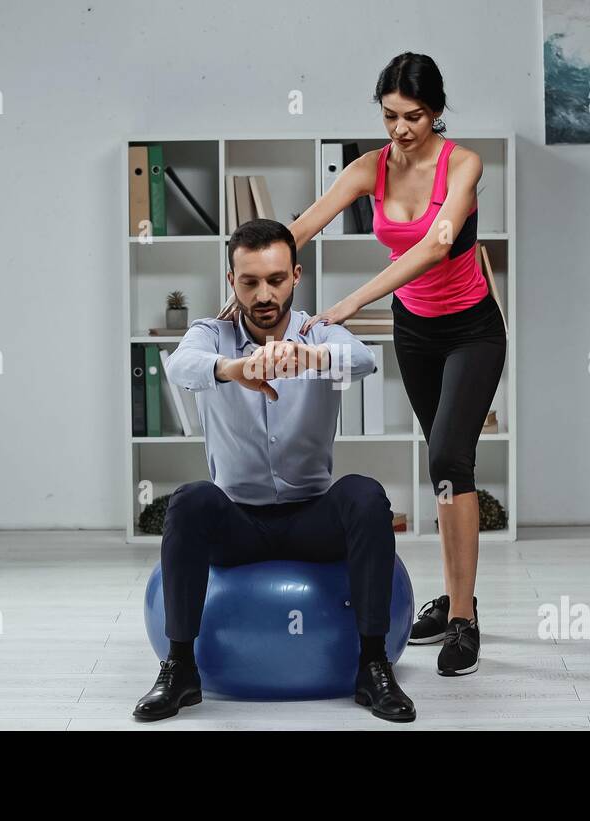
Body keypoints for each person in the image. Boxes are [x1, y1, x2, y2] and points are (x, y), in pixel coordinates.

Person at [132, 218, 416, 722]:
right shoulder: (210, 334)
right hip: (237, 523)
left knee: (366, 495)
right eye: (250, 282)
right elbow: (180, 365)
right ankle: (180, 670)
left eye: (276, 279)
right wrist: (232, 369)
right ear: (231, 282)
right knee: (191, 498)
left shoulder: (318, 333)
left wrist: (310, 357)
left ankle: (373, 667)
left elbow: (362, 359)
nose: (265, 294)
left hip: (313, 520)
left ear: (296, 275)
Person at [292, 52, 506, 676]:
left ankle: (463, 621)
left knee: (449, 457)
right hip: (415, 334)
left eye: (414, 116)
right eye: (389, 116)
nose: (401, 129)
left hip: (472, 330)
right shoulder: (369, 169)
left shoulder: (463, 164)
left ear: (437, 111)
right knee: (441, 469)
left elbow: (440, 244)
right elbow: (303, 225)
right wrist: (248, 270)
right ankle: (454, 596)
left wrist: (355, 300)